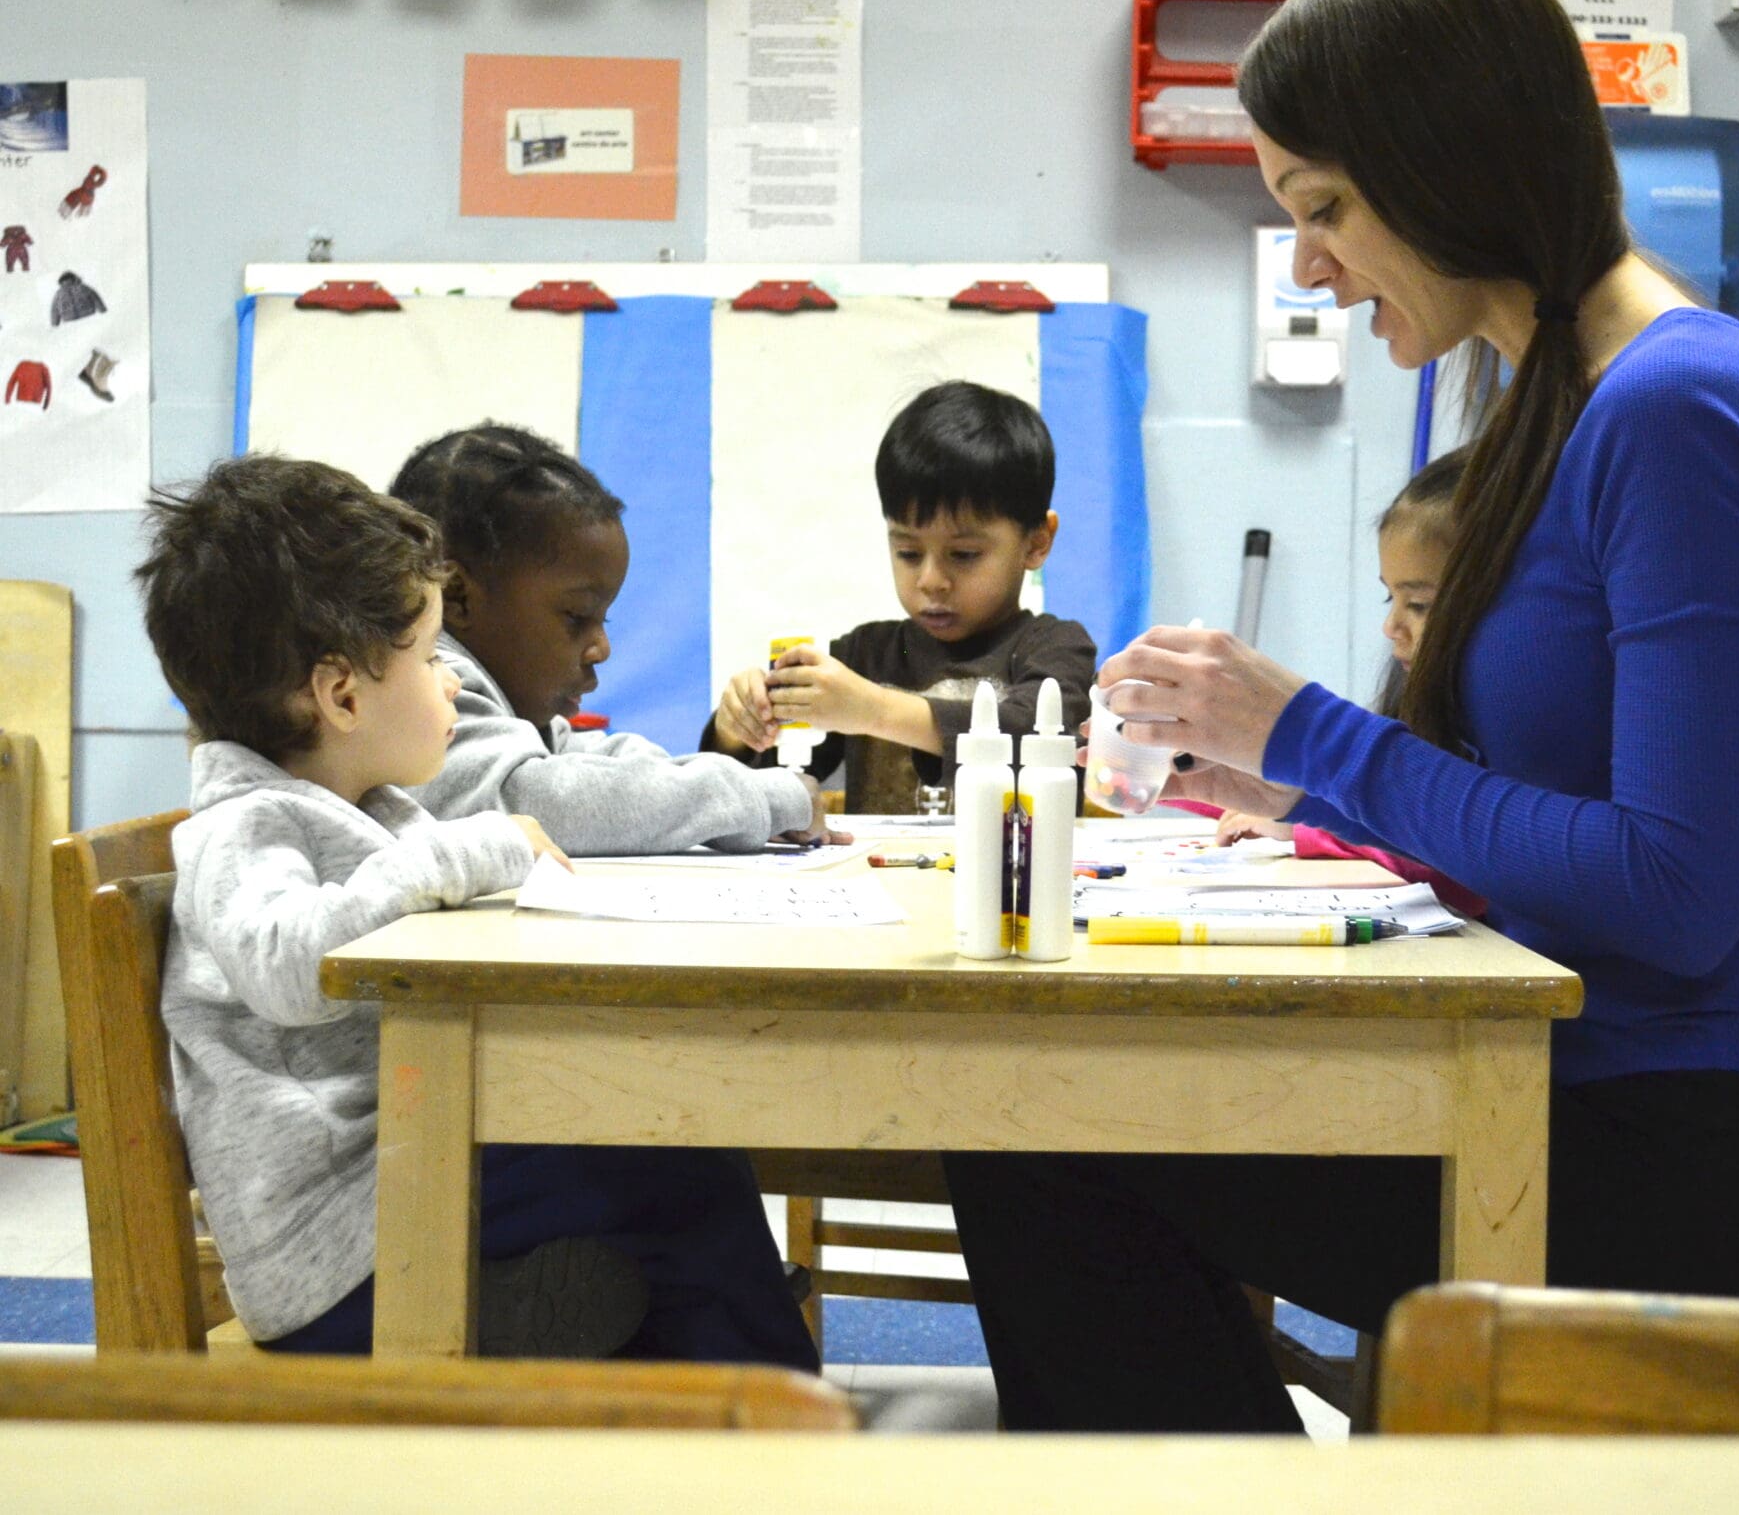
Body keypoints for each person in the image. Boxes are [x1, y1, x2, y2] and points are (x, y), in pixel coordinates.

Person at [944, 0, 1739, 1434]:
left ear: (1451, 166)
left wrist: (1315, 735)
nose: (1308, 264)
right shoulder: (1554, 398)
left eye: (1325, 208)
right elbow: (1544, 804)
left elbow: (1674, 890)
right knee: (1042, 1112)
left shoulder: (1678, 406)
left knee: (1036, 1127)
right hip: (1578, 1082)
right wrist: (1282, 779)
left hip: (1687, 1143)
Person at [138, 454, 817, 1368]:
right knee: (663, 1164)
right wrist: (453, 856)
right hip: (337, 1251)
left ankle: (684, 1371)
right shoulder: (243, 824)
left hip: (399, 1177)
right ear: (342, 695)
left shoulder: (367, 803)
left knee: (667, 1151)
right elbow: (288, 964)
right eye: (428, 659)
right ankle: (766, 1413)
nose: (452, 682)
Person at [386, 424, 841, 853]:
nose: (602, 648)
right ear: (457, 597)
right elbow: (538, 801)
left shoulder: (510, 709)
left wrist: (696, 781)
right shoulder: (425, 682)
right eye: (576, 616)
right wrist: (759, 799)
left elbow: (587, 760)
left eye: (603, 620)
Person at [702, 381, 1096, 811]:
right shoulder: (864, 656)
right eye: (908, 552)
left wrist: (872, 710)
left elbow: (1034, 737)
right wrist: (736, 730)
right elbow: (759, 790)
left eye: (964, 554)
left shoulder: (1056, 648)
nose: (931, 580)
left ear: (1036, 542)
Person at [1209, 448, 1483, 919]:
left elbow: (1458, 864)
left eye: (1419, 604)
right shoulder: (1426, 705)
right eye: (1390, 598)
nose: (1391, 627)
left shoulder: (1495, 733)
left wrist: (1307, 826)